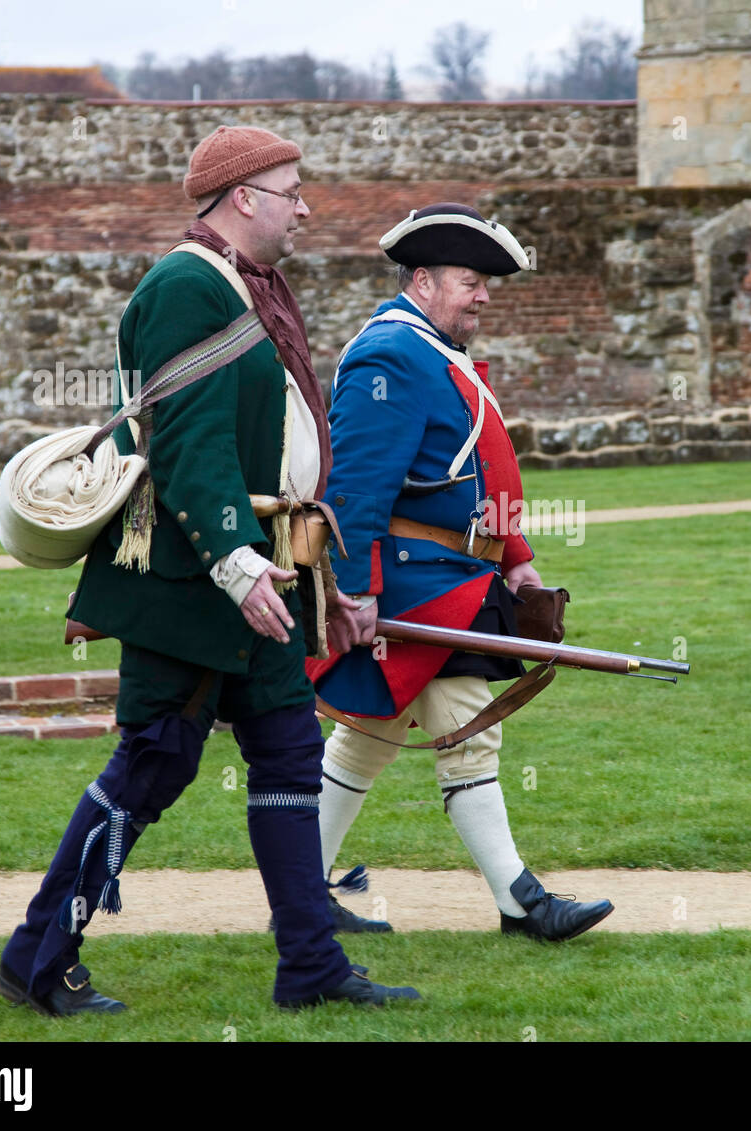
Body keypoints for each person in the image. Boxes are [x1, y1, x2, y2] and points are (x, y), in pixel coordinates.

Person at [0, 125, 419, 1014]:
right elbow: (192, 444)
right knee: (152, 764)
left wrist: (319, 586)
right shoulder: (188, 287)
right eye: (292, 190)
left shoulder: (251, 285)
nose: (306, 206)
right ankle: (36, 959)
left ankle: (309, 962)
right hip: (192, 581)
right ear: (243, 198)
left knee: (290, 752)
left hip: (263, 569)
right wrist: (235, 564)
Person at [305, 203, 614, 941]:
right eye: (471, 281)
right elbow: (354, 492)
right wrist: (358, 593)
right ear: (421, 279)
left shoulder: (435, 354)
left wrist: (520, 564)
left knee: (368, 736)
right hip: (419, 587)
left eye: (486, 285)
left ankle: (301, 893)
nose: (483, 297)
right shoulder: (392, 355)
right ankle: (521, 902)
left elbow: (482, 475)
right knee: (470, 733)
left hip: (454, 579)